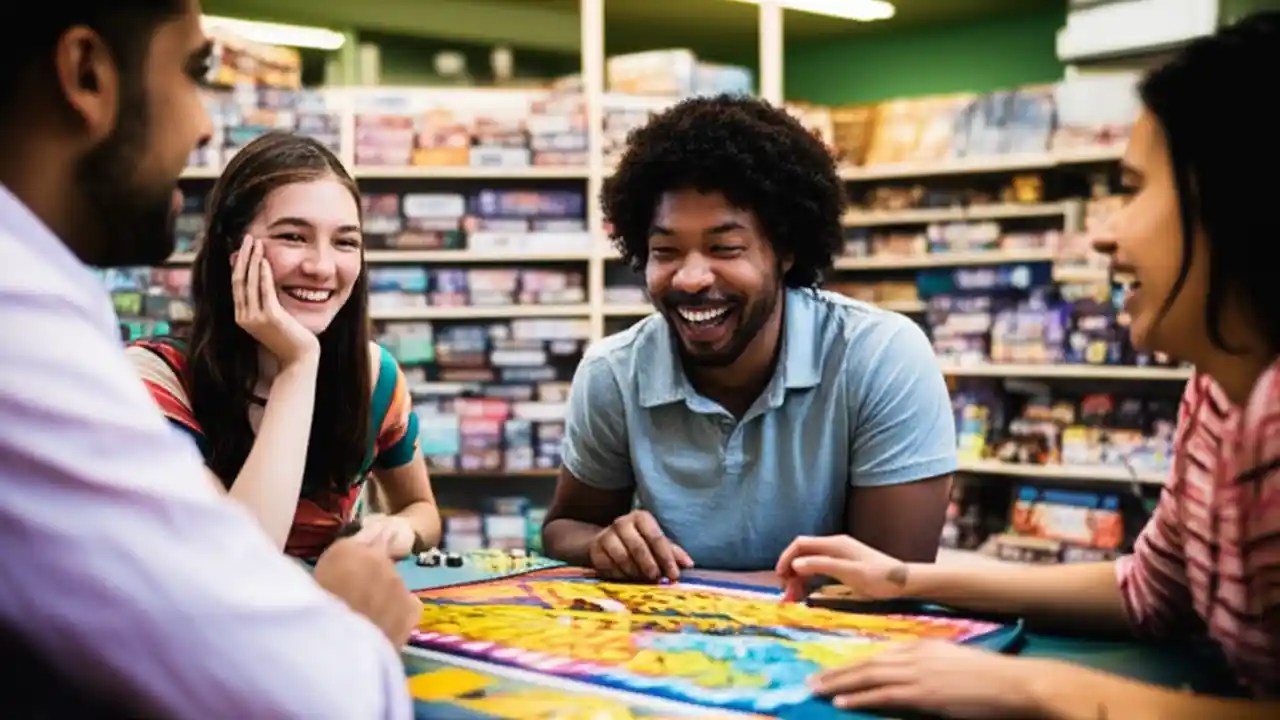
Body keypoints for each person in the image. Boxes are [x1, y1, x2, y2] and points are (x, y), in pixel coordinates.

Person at [775, 12, 1280, 718]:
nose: (1104, 234)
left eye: (1133, 189)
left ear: (1237, 202)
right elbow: (1148, 590)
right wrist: (904, 576)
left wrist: (1045, 689)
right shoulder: (1219, 393)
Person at [0, 2, 418, 717]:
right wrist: (348, 620)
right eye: (194, 73)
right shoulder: (39, 332)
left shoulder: (374, 374)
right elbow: (287, 686)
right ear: (87, 73)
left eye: (346, 241)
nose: (202, 126)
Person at [542, 95, 957, 581]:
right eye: (665, 250)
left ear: (784, 250)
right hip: (660, 650)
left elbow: (891, 580)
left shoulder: (880, 357)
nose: (691, 278)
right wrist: (605, 543)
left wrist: (694, 591)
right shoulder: (614, 372)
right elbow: (566, 527)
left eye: (726, 248)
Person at [127, 131, 441, 560]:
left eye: (346, 241)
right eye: (293, 236)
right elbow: (241, 562)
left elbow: (421, 510)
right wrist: (299, 363)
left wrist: (402, 529)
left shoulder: (373, 375)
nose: (321, 267)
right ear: (231, 249)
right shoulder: (154, 378)